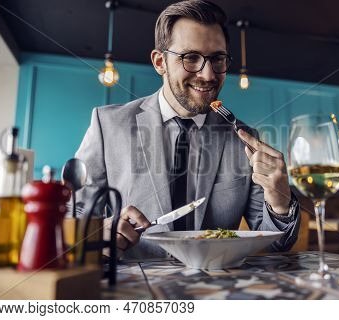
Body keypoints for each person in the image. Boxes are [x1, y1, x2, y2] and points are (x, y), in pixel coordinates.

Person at [75, 0, 300, 259]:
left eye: (217, 59)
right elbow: (73, 216)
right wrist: (97, 232)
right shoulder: (107, 125)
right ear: (160, 62)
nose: (207, 75)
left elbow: (272, 246)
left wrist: (281, 202)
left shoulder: (246, 140)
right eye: (190, 58)